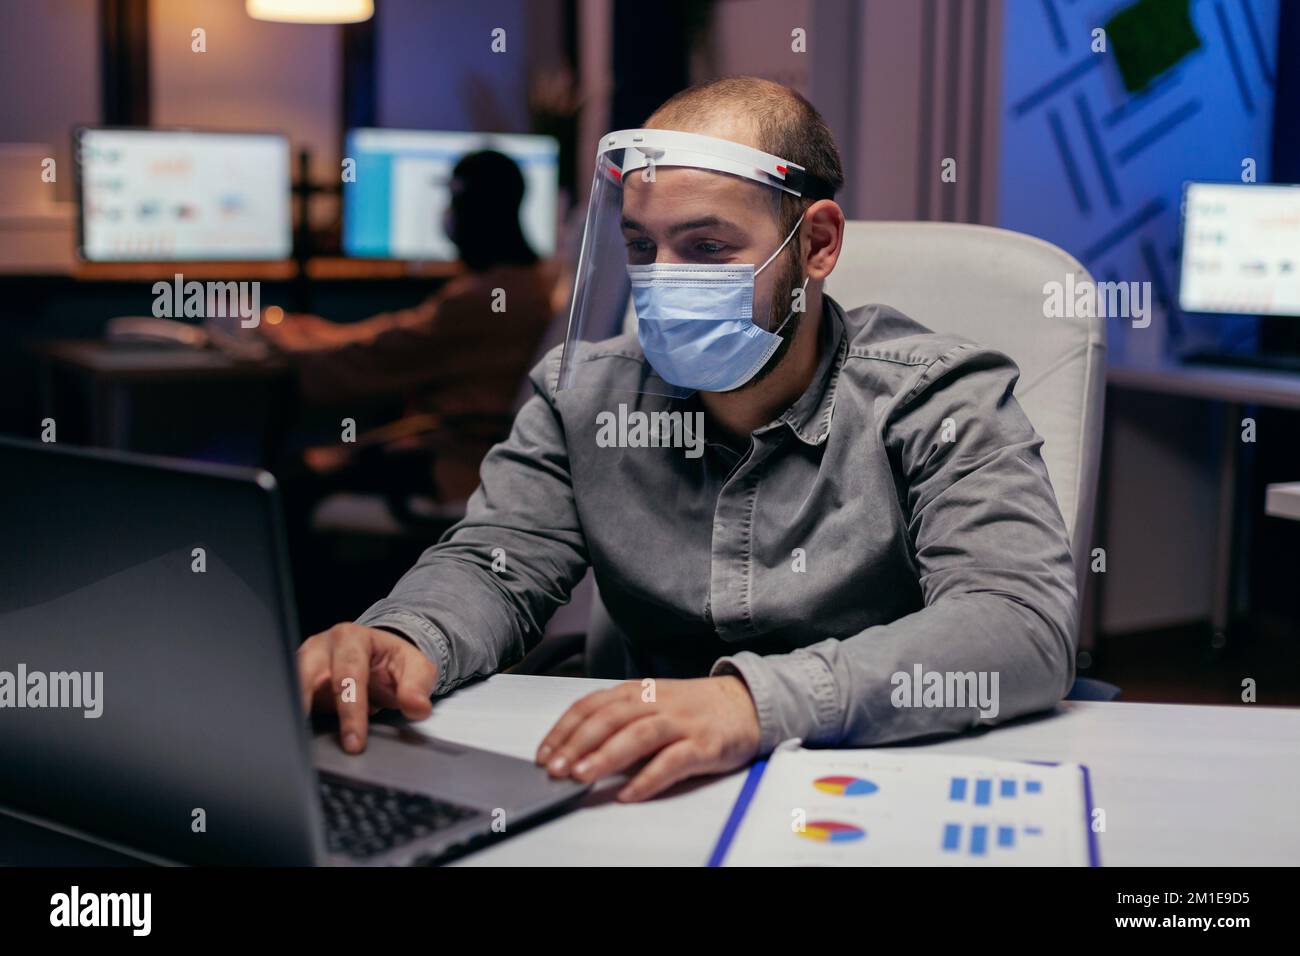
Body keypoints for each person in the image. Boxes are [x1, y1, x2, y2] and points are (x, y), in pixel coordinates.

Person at [297, 76, 1078, 804]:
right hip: (636, 783)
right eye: (643, 247)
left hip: (877, 783)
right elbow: (494, 565)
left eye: (706, 248)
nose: (663, 281)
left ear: (817, 246)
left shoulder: (937, 396)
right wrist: (403, 636)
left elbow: (1017, 622)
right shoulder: (582, 395)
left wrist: (753, 704)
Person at [262, 149, 560, 502]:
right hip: (457, 448)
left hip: (451, 461)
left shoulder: (482, 298)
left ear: (472, 211)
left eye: (452, 200)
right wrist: (307, 330)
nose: (446, 214)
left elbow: (375, 357)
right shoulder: (523, 282)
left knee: (285, 482)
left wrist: (270, 329)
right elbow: (398, 336)